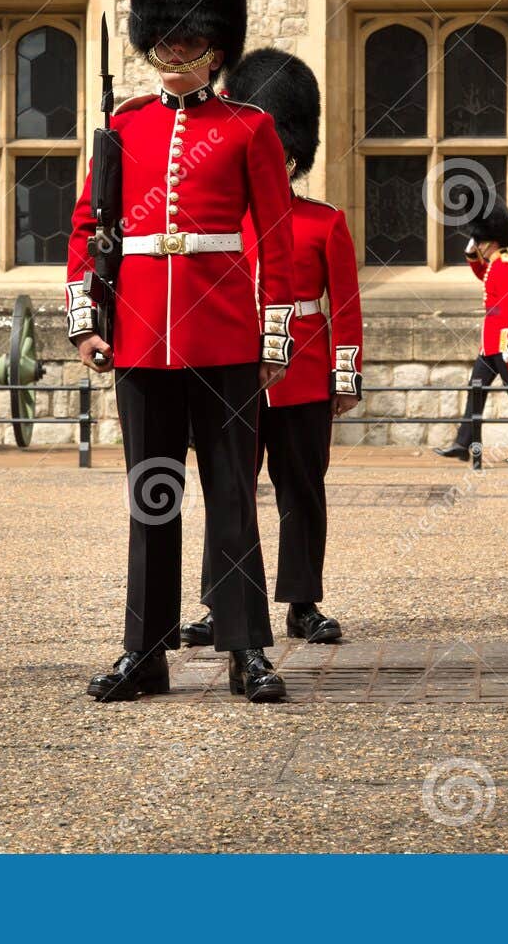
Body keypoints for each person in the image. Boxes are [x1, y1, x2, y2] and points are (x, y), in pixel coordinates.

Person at [68, 0, 296, 704]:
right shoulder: (124, 127)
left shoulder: (249, 128)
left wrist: (274, 334)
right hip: (139, 336)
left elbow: (276, 239)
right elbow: (89, 228)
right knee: (151, 495)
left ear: (216, 44)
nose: (175, 48)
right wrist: (86, 321)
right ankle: (146, 649)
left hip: (224, 334)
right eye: (165, 35)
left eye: (190, 37)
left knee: (231, 497)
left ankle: (245, 646)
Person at [179, 48, 363, 649]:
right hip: (235, 370)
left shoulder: (324, 222)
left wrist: (344, 376)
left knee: (301, 489)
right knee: (229, 491)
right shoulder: (227, 225)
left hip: (303, 375)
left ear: (293, 157)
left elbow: (344, 307)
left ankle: (302, 602)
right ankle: (222, 602)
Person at [435, 204, 508, 464]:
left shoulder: (506, 264)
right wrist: (471, 253)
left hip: (503, 343)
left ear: (493, 241)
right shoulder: (496, 264)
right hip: (490, 343)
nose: (480, 246)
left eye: (481, 242)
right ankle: (463, 444)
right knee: (476, 389)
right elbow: (483, 275)